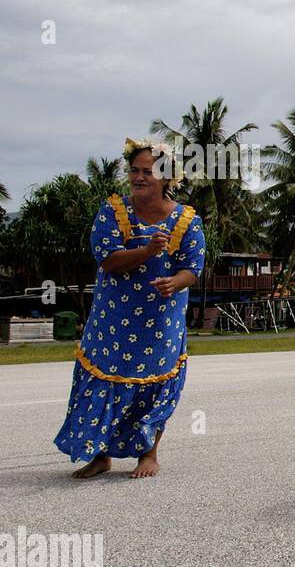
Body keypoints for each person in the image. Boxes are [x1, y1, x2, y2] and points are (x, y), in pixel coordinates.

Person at [55, 139, 206, 478]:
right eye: (134, 171)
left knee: (154, 384)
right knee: (102, 380)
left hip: (160, 320)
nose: (139, 177)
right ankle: (100, 455)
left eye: (148, 172)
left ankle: (149, 454)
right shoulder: (113, 211)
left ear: (167, 178)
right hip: (113, 320)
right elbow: (107, 260)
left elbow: (192, 267)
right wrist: (149, 252)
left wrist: (175, 282)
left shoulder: (186, 220)